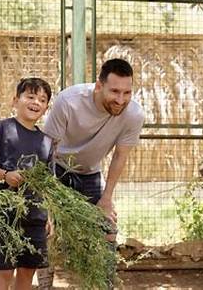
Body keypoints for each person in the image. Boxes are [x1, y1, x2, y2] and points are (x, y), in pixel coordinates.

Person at [38, 58, 145, 287]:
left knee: (108, 227)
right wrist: (45, 202)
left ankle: (103, 285)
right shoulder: (68, 101)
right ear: (99, 86)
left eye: (127, 93)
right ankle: (45, 285)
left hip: (91, 173)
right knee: (45, 230)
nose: (121, 100)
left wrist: (106, 199)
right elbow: (46, 151)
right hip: (57, 170)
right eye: (114, 91)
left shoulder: (134, 114)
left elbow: (120, 156)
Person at [0, 77, 53, 290]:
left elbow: (47, 184)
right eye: (30, 96)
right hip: (3, 213)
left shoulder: (46, 142)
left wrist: (49, 216)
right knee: (3, 272)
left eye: (42, 99)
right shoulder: (0, 130)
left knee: (28, 271)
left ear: (46, 107)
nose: (36, 102)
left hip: (35, 216)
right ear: (15, 101)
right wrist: (5, 175)